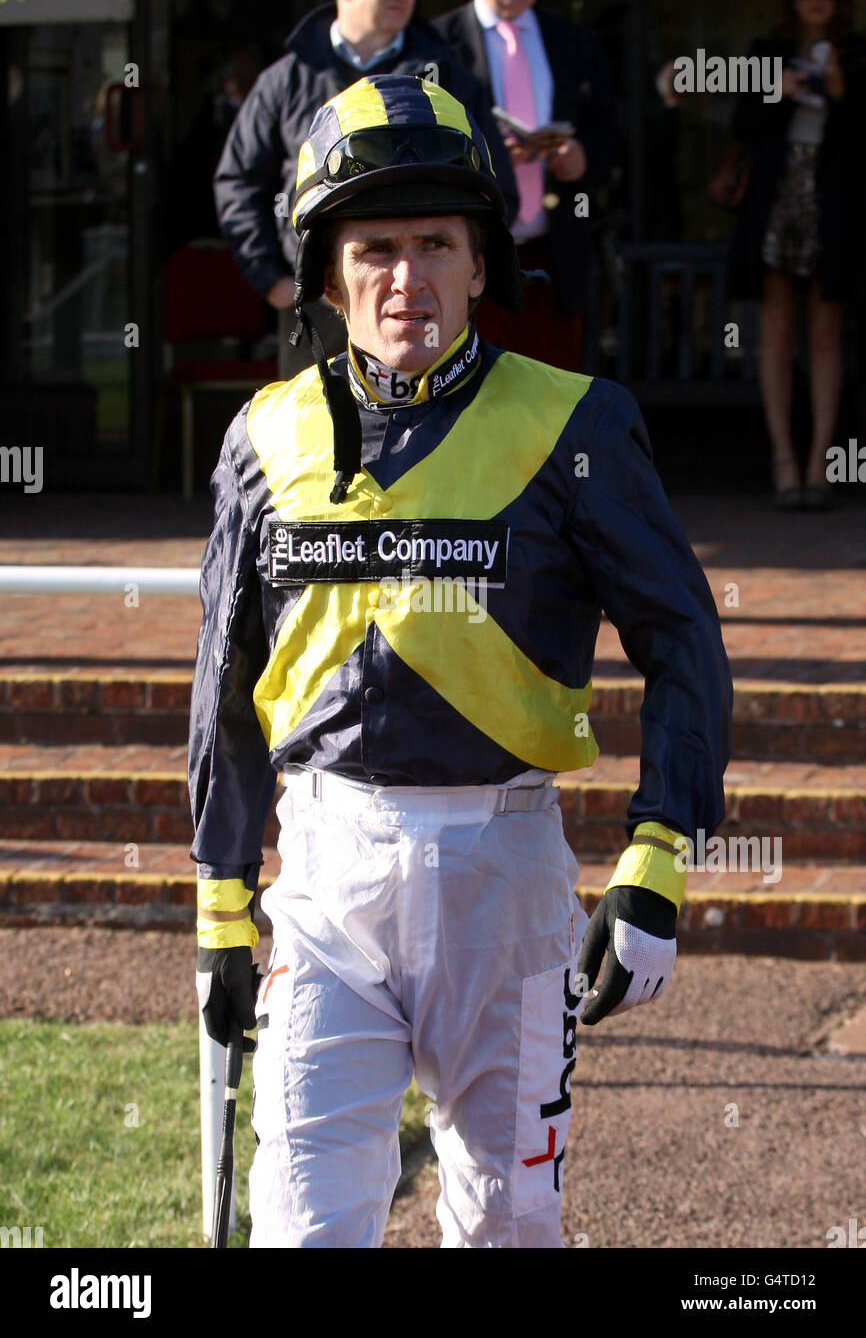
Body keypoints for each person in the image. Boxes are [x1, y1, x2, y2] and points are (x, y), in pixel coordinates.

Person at [191, 74, 732, 1249]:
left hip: (507, 875)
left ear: (482, 263)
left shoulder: (575, 421)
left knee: (506, 1222)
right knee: (303, 1226)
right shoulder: (262, 436)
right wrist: (221, 903)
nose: (405, 276)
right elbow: (223, 681)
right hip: (326, 881)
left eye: (435, 242)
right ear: (328, 272)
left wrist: (656, 857)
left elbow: (681, 637)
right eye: (373, 246)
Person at [213, 0, 517, 374]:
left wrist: (456, 271)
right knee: (315, 435)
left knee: (440, 433)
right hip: (317, 307)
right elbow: (238, 182)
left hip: (425, 309)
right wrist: (273, 279)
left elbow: (497, 186)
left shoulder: (450, 76)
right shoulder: (285, 80)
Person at [435, 0, 620, 372]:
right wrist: (486, 155)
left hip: (553, 264)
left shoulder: (573, 43)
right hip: (468, 261)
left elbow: (613, 133)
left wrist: (582, 155)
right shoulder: (437, 46)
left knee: (554, 412)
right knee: (466, 407)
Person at [726, 0, 866, 510]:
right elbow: (740, 126)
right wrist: (773, 91)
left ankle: (821, 461)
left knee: (826, 328)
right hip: (778, 196)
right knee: (778, 328)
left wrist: (839, 91)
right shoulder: (768, 52)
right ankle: (784, 457)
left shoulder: (857, 54)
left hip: (833, 202)